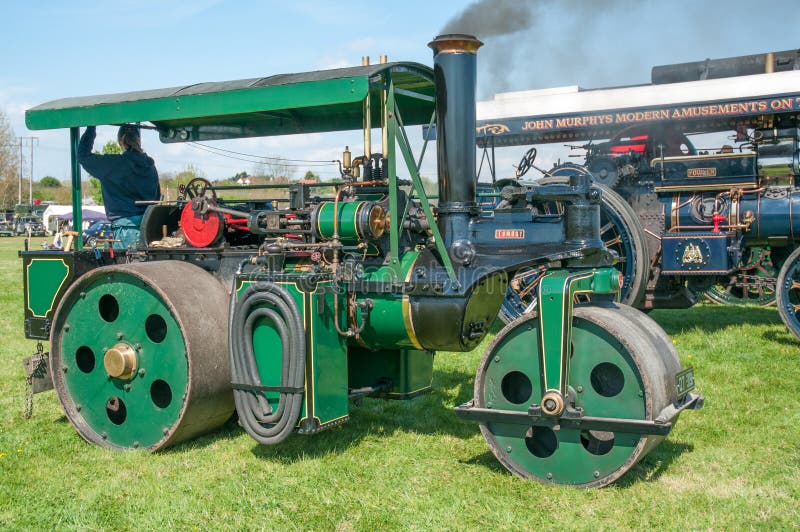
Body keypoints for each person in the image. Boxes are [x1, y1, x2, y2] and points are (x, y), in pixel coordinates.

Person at [77, 125, 160, 249]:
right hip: (150, 228)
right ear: (139, 140)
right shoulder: (150, 167)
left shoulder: (113, 164)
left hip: (125, 231)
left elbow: (83, 156)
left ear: (120, 141)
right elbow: (157, 197)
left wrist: (91, 128)